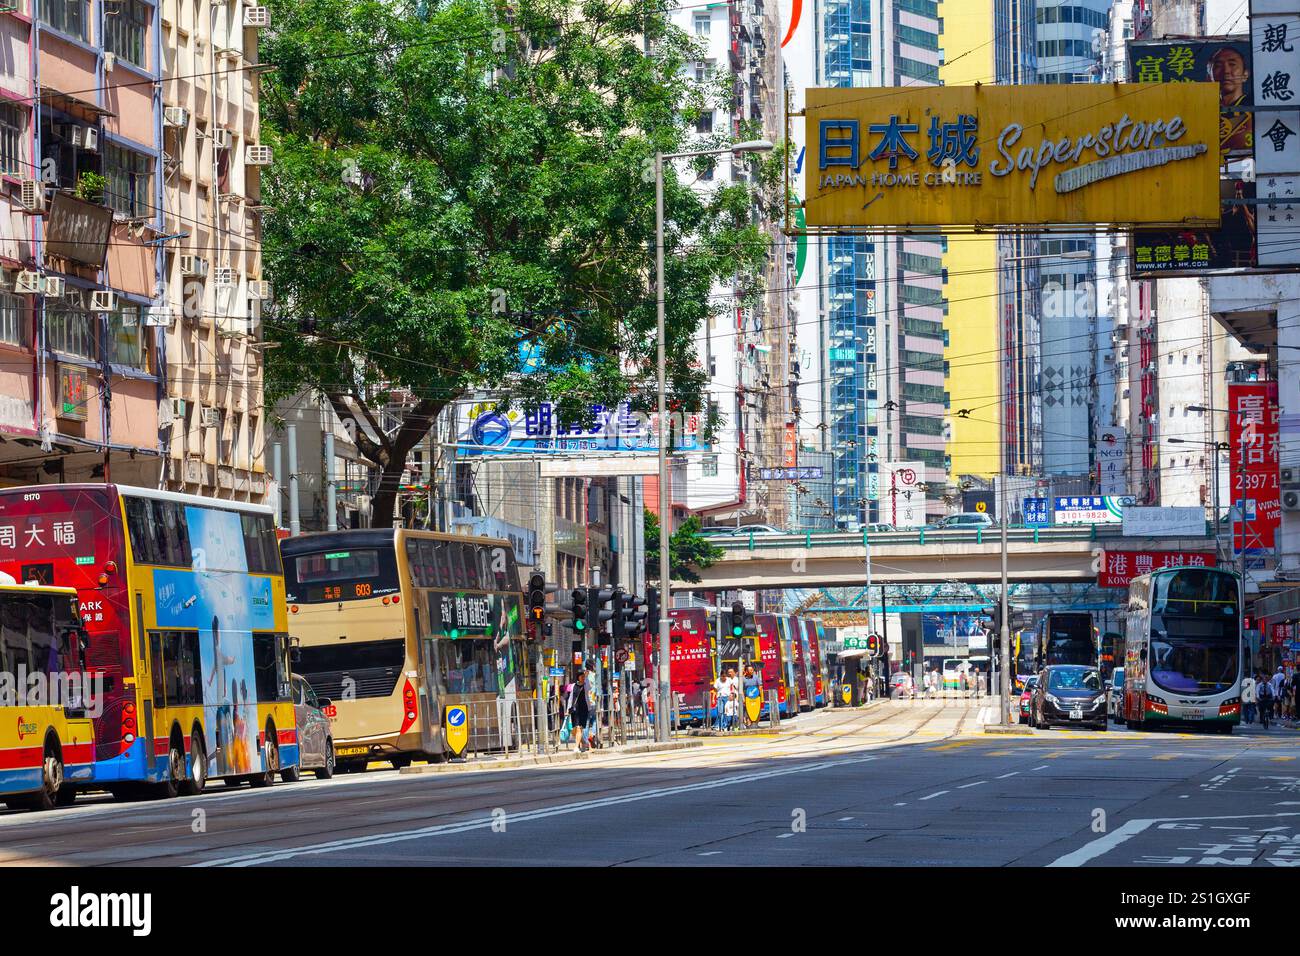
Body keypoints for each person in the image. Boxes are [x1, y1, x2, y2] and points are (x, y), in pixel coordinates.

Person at [566, 669, 590, 751]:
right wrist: (568, 709)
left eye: (583, 676)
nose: (583, 678)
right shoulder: (573, 686)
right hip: (574, 709)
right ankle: (584, 742)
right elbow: (570, 698)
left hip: (584, 709)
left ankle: (576, 746)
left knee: (579, 728)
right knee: (574, 730)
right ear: (578, 677)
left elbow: (589, 687)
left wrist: (586, 677)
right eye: (581, 676)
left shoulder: (586, 685)